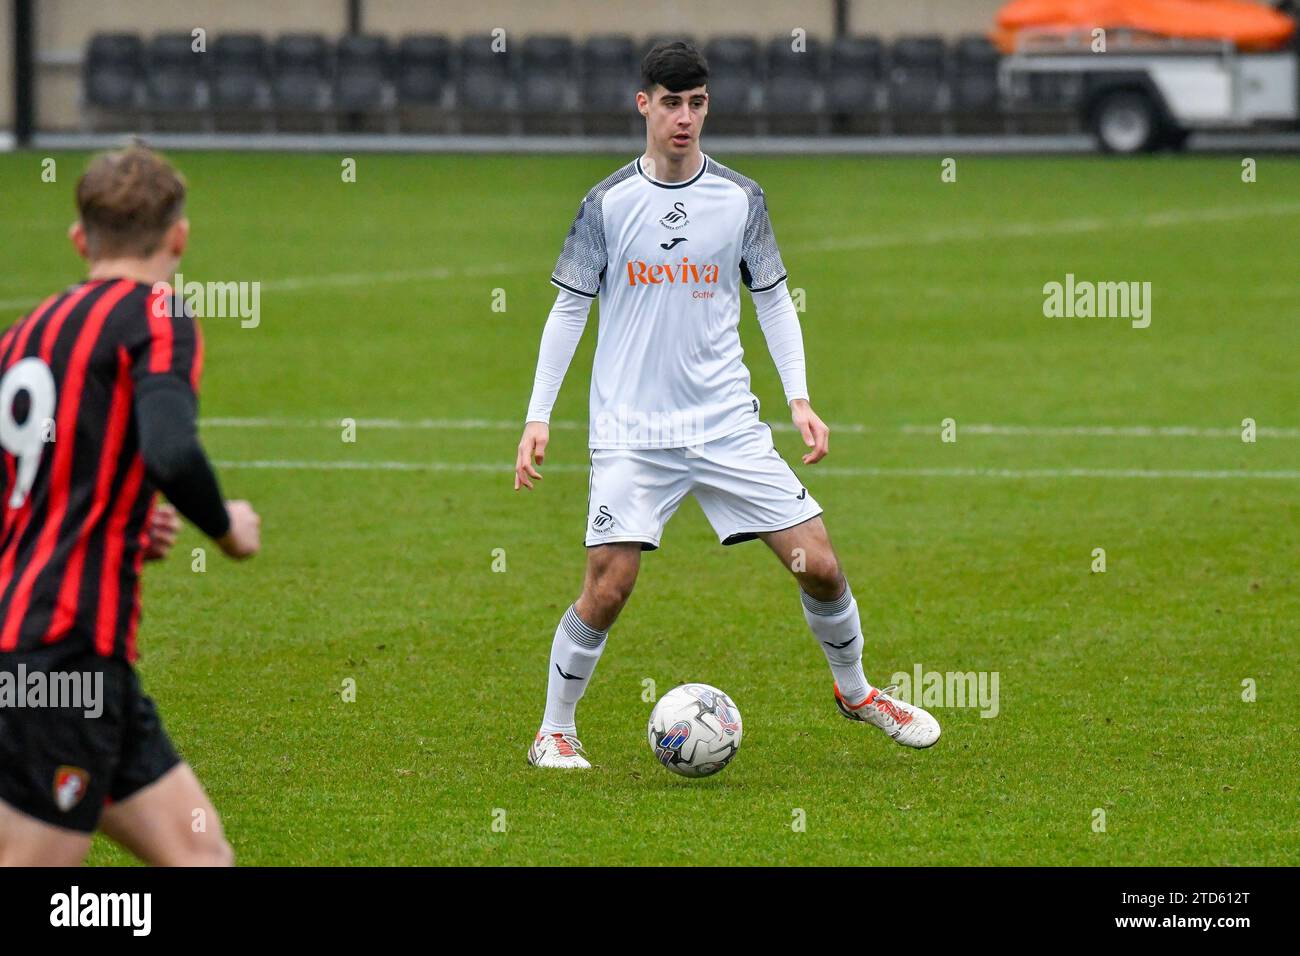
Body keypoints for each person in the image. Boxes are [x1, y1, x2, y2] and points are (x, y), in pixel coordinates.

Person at [515, 43, 939, 769]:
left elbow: (772, 296)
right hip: (633, 431)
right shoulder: (607, 204)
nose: (685, 117)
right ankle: (555, 730)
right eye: (671, 102)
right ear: (642, 104)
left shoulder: (740, 199)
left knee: (822, 567)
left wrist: (799, 398)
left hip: (726, 427)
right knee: (610, 584)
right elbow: (569, 310)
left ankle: (858, 692)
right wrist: (537, 414)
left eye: (698, 103)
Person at [0, 146, 261, 864]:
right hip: (59, 654)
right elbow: (170, 450)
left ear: (80, 239)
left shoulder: (24, 337)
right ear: (179, 236)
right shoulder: (157, 313)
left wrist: (118, 515)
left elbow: (30, 485)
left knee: (203, 857)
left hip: (67, 661)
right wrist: (228, 529)